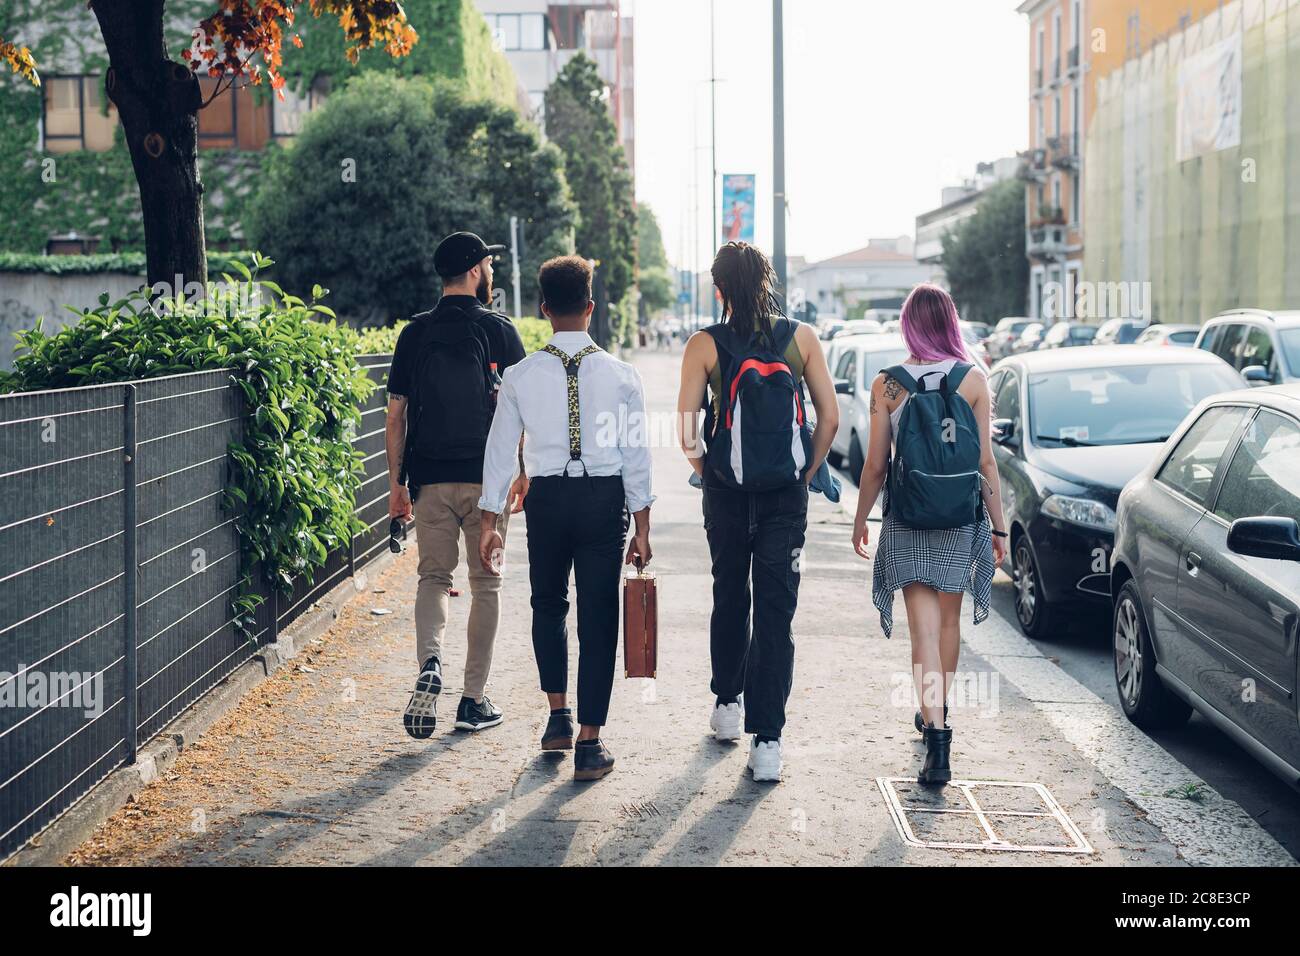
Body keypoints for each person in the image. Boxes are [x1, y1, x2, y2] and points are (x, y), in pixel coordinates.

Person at [477, 255, 654, 782]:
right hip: (604, 502)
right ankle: (589, 744)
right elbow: (636, 455)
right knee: (599, 617)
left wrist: (489, 520)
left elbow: (500, 450)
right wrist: (642, 526)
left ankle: (557, 716)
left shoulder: (519, 375)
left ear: (544, 309)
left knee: (547, 603)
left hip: (547, 501)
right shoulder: (624, 377)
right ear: (592, 308)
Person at [676, 242, 839, 782]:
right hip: (784, 499)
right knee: (776, 614)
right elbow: (830, 420)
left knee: (730, 596)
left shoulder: (704, 344)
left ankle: (727, 707)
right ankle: (767, 743)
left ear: (718, 288)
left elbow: (684, 432)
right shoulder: (802, 339)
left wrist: (711, 469)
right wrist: (805, 472)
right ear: (768, 281)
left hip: (725, 493)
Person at [849, 284, 1008, 785]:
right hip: (961, 518)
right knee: (948, 628)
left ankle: (935, 736)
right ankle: (937, 713)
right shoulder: (975, 380)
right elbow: (986, 462)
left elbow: (875, 466)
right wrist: (999, 527)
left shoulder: (888, 385)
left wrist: (860, 519)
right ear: (951, 323)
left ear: (908, 325)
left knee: (922, 632)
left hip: (910, 519)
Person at [387, 232, 529, 739]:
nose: (491, 270)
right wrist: (523, 470)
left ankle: (430, 663)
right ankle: (472, 700)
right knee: (485, 583)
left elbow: (395, 415)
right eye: (488, 263)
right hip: (486, 483)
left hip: (429, 478)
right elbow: (522, 411)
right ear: (475, 270)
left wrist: (397, 484)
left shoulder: (414, 334)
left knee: (432, 578)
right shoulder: (500, 331)